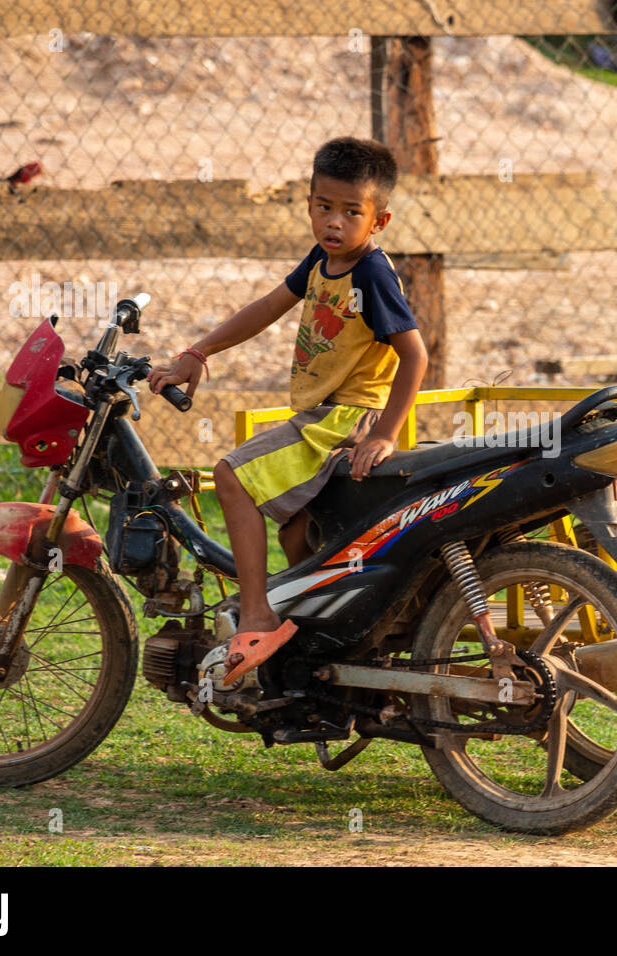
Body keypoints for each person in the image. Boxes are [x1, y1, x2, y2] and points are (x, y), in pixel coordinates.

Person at [147, 137, 428, 684]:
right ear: (308, 204)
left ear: (380, 221)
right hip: (324, 415)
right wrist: (196, 353)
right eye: (324, 206)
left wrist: (385, 433)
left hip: (345, 419)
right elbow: (268, 307)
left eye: (352, 212)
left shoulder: (370, 273)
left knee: (231, 475)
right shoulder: (324, 260)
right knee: (296, 535)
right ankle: (318, 636)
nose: (335, 222)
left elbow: (415, 356)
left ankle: (256, 615)